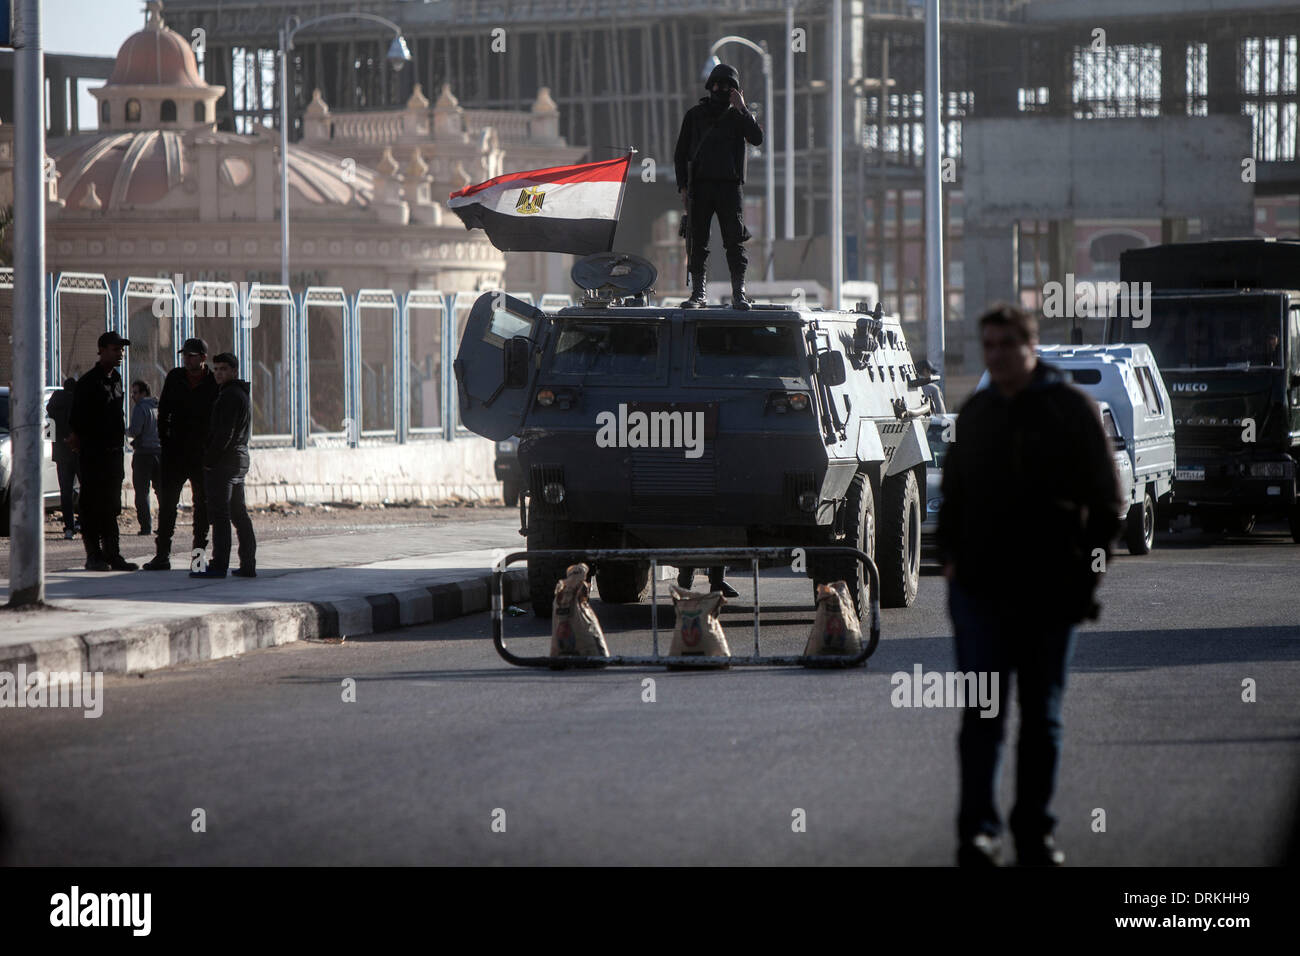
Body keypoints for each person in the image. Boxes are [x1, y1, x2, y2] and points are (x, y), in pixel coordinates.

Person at [936, 304, 1122, 867]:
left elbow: (1108, 502)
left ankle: (1035, 832)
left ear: (1030, 346)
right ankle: (978, 833)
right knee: (982, 717)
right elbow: (955, 496)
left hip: (1050, 593)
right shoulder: (978, 413)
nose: (994, 355)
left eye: (1005, 345)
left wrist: (1087, 573)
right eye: (987, 345)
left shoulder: (1071, 409)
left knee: (1041, 718)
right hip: (980, 595)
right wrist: (949, 560)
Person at [673, 62, 764, 310]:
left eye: (725, 85)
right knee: (697, 241)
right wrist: (682, 186)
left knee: (734, 242)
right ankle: (698, 293)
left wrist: (743, 108)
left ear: (734, 90)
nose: (719, 89)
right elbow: (680, 154)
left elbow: (756, 138)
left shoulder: (738, 116)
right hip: (699, 188)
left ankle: (739, 294)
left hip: (729, 187)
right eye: (715, 84)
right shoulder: (695, 115)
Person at [143, 338, 217, 571]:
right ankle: (162, 554)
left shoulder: (213, 382)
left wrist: (209, 447)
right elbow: (163, 411)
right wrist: (166, 440)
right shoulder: (175, 377)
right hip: (175, 453)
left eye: (192, 355)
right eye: (185, 355)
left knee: (202, 506)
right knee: (167, 504)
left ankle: (198, 559)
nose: (187, 359)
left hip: (201, 454)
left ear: (203, 358)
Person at [67, 331, 137, 572]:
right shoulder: (88, 383)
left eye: (121, 350)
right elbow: (76, 420)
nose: (120, 354)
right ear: (102, 350)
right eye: (115, 349)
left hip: (114, 453)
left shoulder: (116, 378)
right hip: (93, 454)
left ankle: (113, 554)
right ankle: (93, 555)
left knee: (111, 506)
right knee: (91, 505)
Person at [192, 352, 255, 579]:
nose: (219, 373)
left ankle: (219, 565)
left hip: (225, 462)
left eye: (224, 369)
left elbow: (224, 434)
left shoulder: (229, 396)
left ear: (234, 371)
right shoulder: (239, 394)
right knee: (238, 514)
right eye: (216, 369)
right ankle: (248, 564)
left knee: (220, 515)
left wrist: (209, 461)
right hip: (238, 460)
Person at [45, 377, 79, 540]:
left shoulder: (53, 406)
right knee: (86, 487)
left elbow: (49, 431)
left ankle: (69, 527)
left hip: (60, 452)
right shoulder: (78, 402)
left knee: (65, 491)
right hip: (78, 451)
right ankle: (83, 521)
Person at [127, 380, 161, 535]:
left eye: (135, 392)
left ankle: (146, 526)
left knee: (142, 492)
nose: (133, 396)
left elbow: (135, 430)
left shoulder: (141, 408)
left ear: (143, 393)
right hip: (160, 454)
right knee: (161, 491)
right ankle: (166, 524)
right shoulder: (158, 406)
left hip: (143, 454)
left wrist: (125, 432)